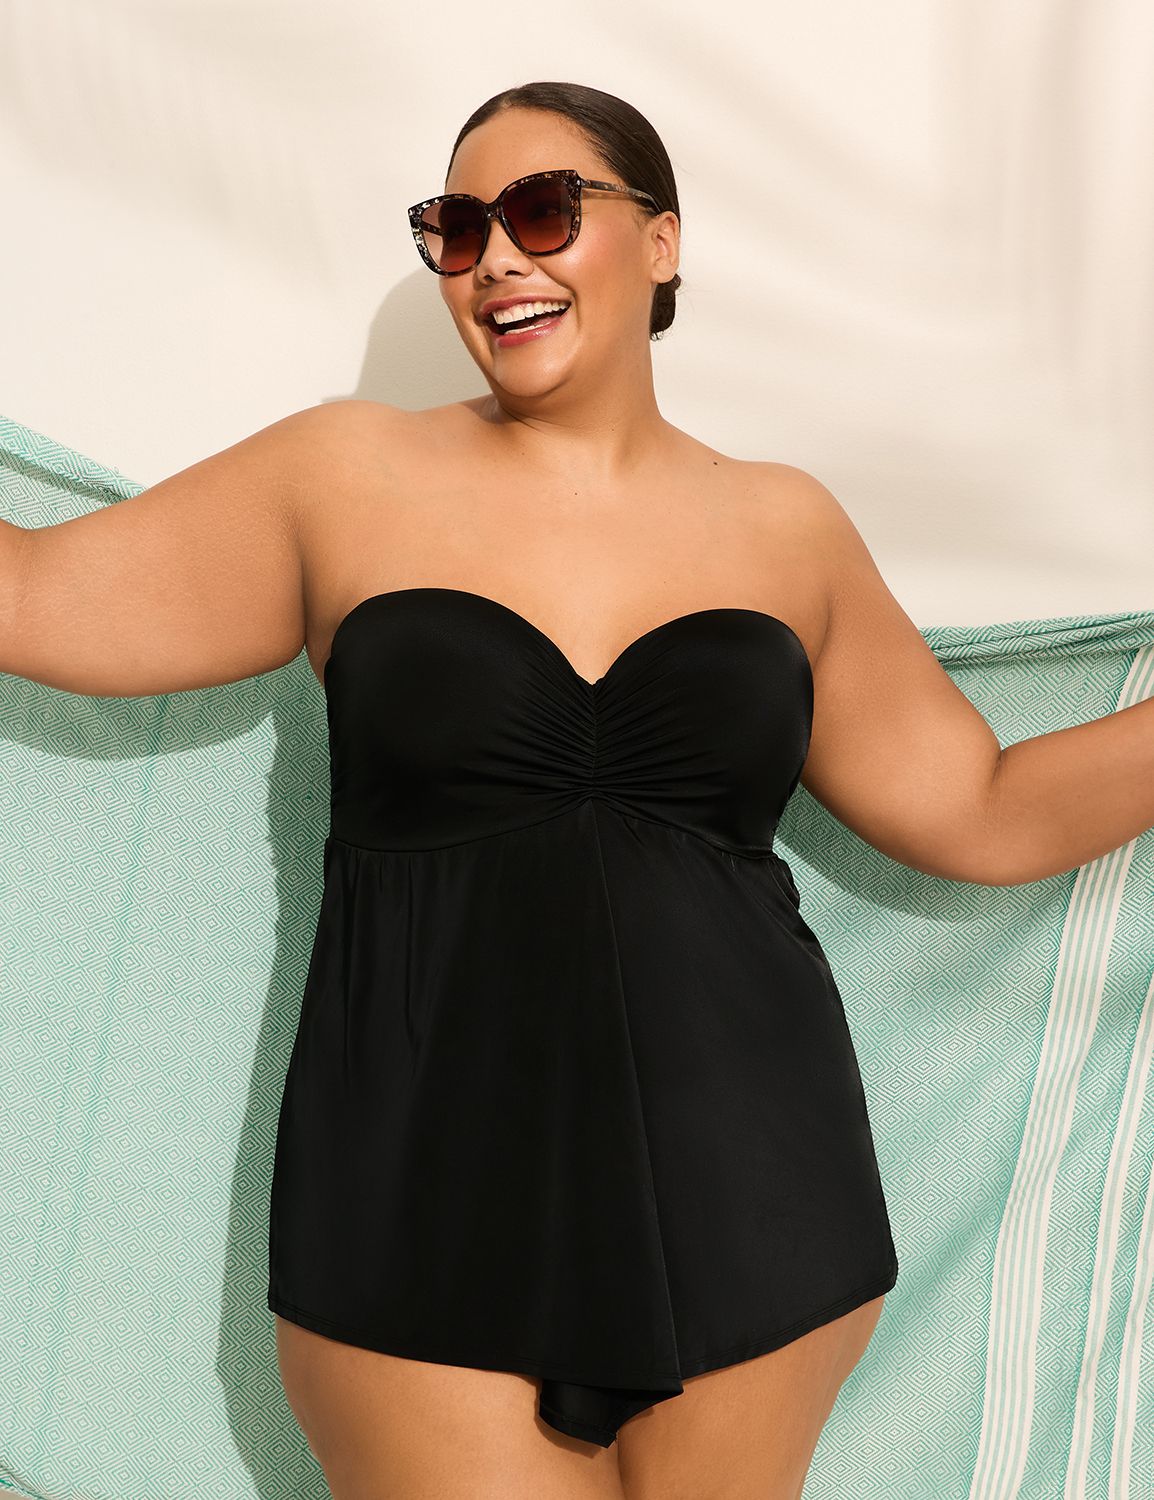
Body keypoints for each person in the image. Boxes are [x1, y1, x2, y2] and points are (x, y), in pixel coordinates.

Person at [4, 78, 1147, 1500]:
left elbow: (981, 804)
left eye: (543, 210)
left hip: (752, 1187)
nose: (495, 257)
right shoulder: (341, 477)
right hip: (419, 1190)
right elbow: (31, 596)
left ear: (661, 242)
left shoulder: (784, 524)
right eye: (456, 226)